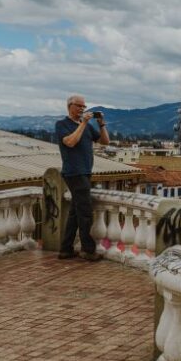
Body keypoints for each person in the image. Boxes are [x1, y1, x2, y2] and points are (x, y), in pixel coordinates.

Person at [55, 94, 110, 261]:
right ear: (70, 106)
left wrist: (101, 125)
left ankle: (66, 249)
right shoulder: (62, 124)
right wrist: (84, 123)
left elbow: (105, 142)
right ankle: (88, 249)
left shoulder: (84, 126)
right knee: (85, 212)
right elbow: (70, 142)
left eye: (83, 107)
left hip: (85, 172)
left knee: (75, 213)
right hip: (74, 172)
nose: (82, 109)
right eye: (79, 106)